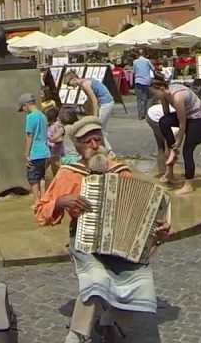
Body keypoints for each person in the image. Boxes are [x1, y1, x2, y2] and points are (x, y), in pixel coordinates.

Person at [33, 115, 170, 343]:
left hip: (123, 246)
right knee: (96, 280)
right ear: (78, 146)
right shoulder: (70, 174)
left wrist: (159, 231)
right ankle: (76, 335)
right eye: (89, 141)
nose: (95, 145)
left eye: (98, 139)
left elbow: (144, 214)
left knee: (139, 284)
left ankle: (107, 320)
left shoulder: (121, 172)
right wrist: (60, 202)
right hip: (85, 242)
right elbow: (40, 212)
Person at [150, 72, 201, 195]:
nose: (154, 97)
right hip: (188, 118)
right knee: (163, 121)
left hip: (199, 120)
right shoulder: (164, 95)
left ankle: (189, 184)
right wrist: (170, 144)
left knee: (187, 150)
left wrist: (177, 144)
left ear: (161, 88)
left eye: (154, 93)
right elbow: (167, 116)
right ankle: (172, 157)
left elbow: (182, 124)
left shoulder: (178, 97)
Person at [66, 71, 114, 149]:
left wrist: (94, 117)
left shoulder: (85, 84)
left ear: (74, 79)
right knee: (101, 129)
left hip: (106, 103)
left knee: (98, 128)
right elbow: (89, 100)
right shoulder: (84, 82)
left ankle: (109, 151)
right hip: (106, 103)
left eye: (69, 83)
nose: (71, 86)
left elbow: (94, 100)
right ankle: (104, 149)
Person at [20, 93, 51, 200]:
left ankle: (37, 202)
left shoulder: (30, 117)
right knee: (42, 177)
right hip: (46, 153)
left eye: (23, 108)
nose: (24, 111)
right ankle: (43, 199)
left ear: (26, 105)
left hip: (35, 153)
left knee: (33, 179)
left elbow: (29, 136)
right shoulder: (43, 116)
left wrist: (26, 154)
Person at [131, 49, 155, 120]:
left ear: (137, 54)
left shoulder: (135, 62)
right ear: (144, 54)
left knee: (139, 99)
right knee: (149, 98)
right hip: (147, 82)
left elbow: (134, 71)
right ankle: (147, 113)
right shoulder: (147, 61)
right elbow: (153, 69)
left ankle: (140, 115)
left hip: (138, 81)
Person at [46, 106, 66, 180]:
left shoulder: (58, 125)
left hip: (56, 149)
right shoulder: (49, 125)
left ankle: (59, 180)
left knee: (56, 166)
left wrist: (51, 139)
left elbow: (59, 137)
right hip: (50, 149)